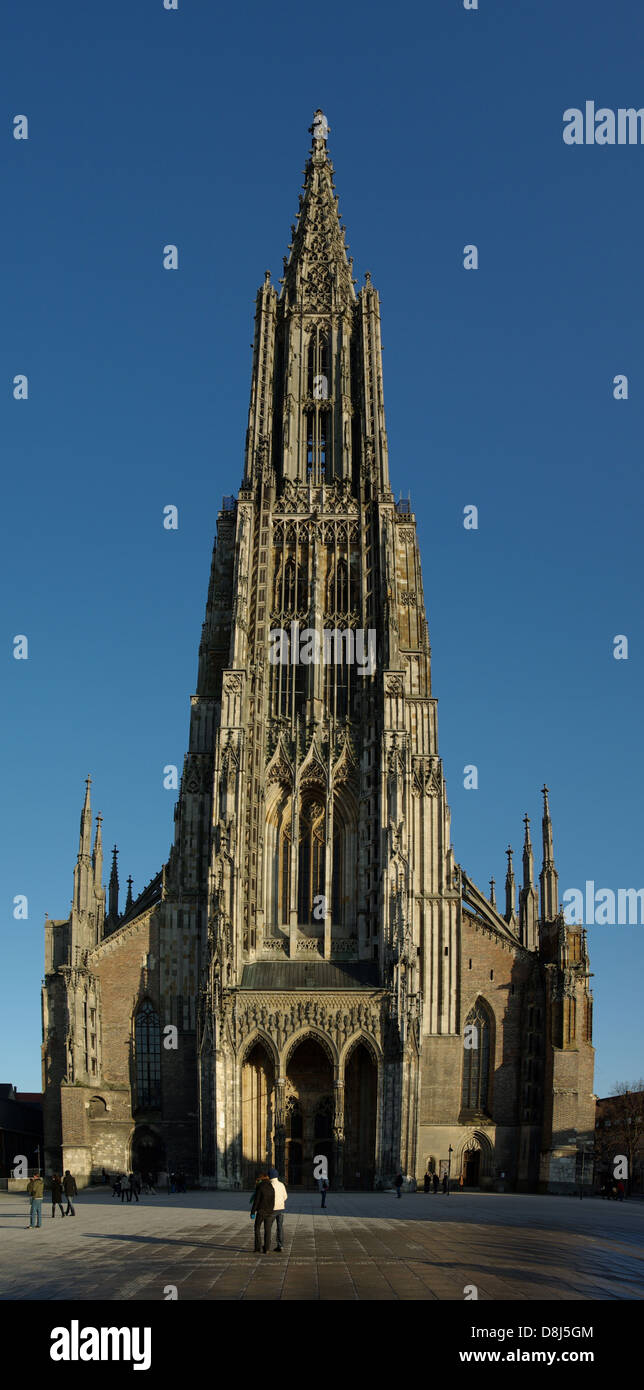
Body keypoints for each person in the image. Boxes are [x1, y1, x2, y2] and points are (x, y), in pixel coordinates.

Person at [250, 1172, 275, 1253]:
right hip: (269, 1212)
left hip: (261, 1211)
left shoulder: (260, 1187)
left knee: (257, 1228)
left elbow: (256, 1201)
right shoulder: (271, 1187)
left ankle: (258, 1247)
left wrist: (253, 1212)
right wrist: (271, 1210)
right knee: (267, 1230)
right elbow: (273, 1200)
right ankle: (267, 1248)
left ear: (260, 1179)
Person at [268, 1166, 288, 1251]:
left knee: (268, 1227)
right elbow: (285, 1196)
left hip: (272, 1209)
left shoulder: (269, 1185)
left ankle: (267, 1245)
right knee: (280, 1227)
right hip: (281, 1208)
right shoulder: (281, 1184)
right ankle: (280, 1245)